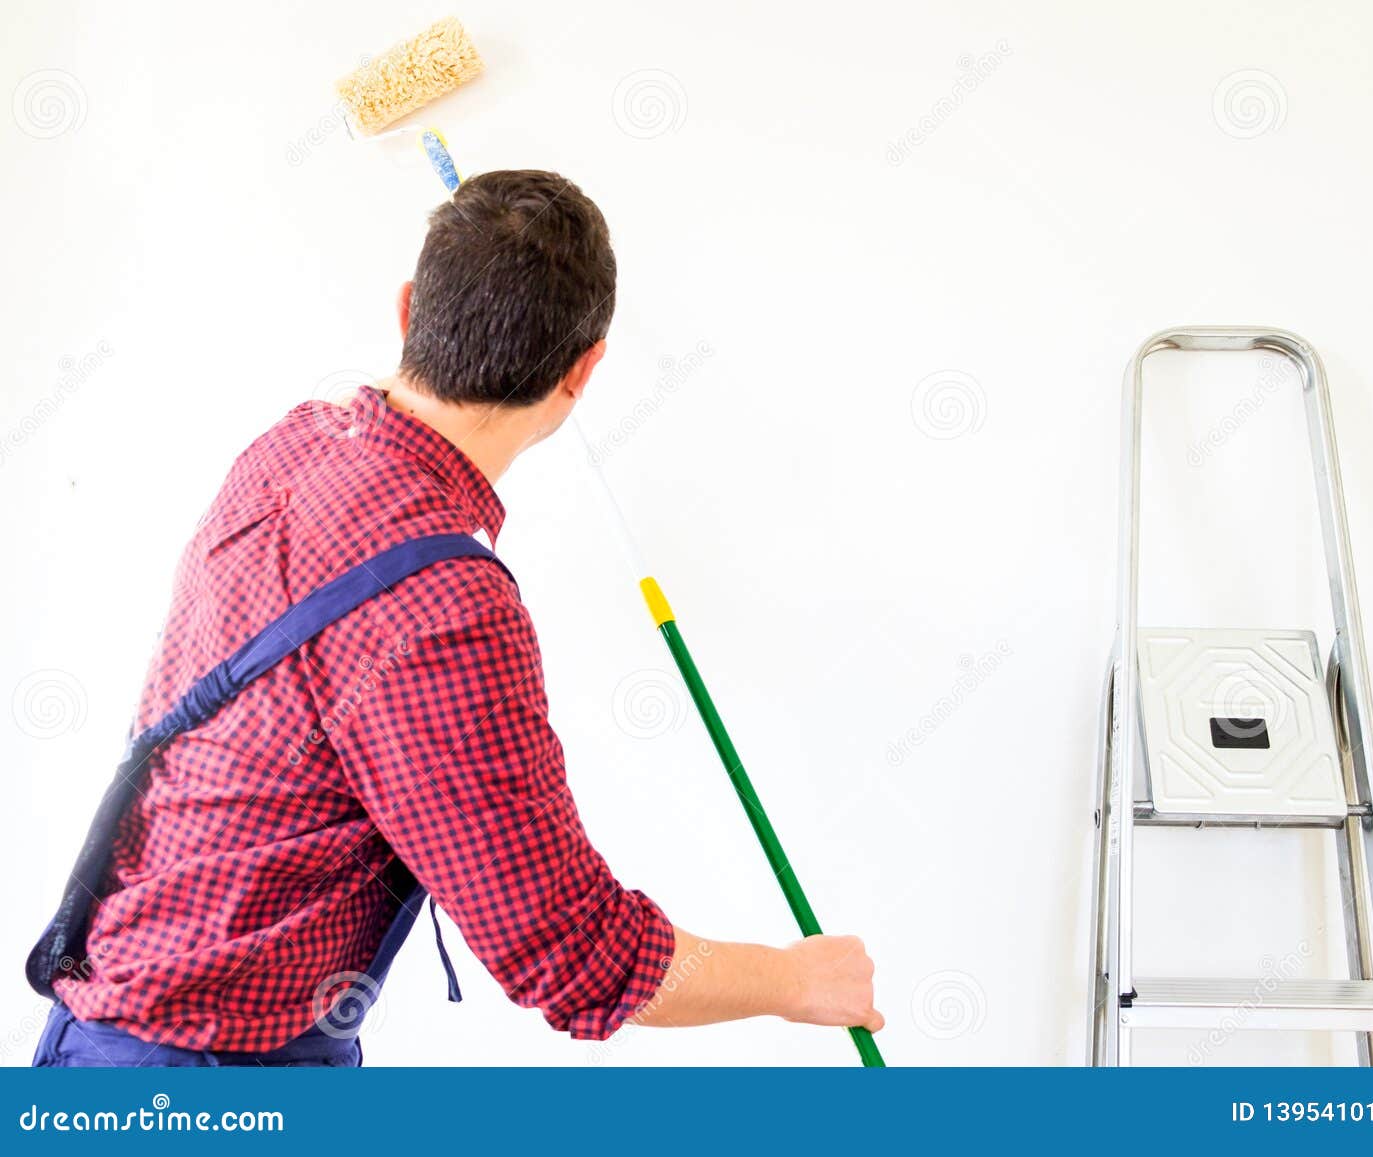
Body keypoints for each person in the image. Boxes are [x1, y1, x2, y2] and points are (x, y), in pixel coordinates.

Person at [30, 170, 881, 1067]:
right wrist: (798, 982)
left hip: (109, 1029)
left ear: (407, 310)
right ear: (584, 370)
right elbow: (573, 952)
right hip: (199, 1073)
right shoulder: (445, 608)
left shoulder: (293, 442)